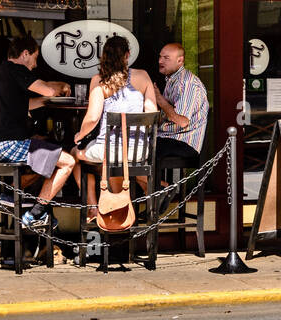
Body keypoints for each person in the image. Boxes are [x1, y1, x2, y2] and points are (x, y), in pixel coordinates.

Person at [0, 36, 75, 228]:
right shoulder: (16, 69)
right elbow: (49, 91)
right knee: (68, 162)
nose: (35, 65)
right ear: (25, 54)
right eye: (34, 58)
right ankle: (35, 214)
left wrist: (44, 101)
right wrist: (62, 85)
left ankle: (10, 194)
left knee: (48, 160)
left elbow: (27, 104)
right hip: (10, 144)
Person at [73, 35, 159, 225]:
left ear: (104, 56)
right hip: (139, 152)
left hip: (110, 151)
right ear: (127, 55)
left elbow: (93, 118)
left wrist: (80, 135)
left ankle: (94, 208)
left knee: (75, 155)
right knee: (116, 161)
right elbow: (152, 113)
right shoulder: (143, 76)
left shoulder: (99, 80)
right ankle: (122, 210)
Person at [155, 42, 209, 173]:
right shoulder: (171, 79)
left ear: (180, 60)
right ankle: (155, 188)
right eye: (160, 57)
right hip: (169, 137)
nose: (160, 61)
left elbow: (182, 121)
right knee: (136, 147)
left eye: (166, 58)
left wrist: (159, 99)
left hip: (184, 141)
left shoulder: (187, 83)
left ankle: (158, 188)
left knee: (141, 150)